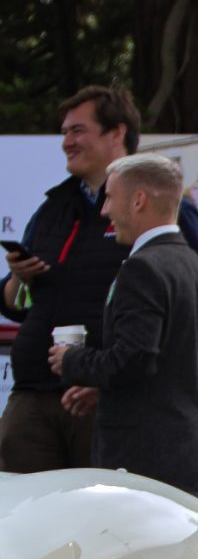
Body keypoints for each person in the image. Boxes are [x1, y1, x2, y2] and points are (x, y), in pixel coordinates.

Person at [49, 153, 198, 493]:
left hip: (140, 465)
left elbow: (133, 359)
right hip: (187, 459)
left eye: (109, 198)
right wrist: (105, 388)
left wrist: (70, 359)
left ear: (138, 200)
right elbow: (186, 369)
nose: (104, 211)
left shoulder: (142, 269)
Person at [1, 85, 138, 471]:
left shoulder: (153, 205)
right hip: (31, 396)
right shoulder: (53, 207)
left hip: (101, 397)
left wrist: (108, 380)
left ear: (117, 133)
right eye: (63, 132)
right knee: (23, 521)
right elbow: (15, 305)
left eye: (78, 131)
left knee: (100, 521)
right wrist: (19, 278)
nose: (66, 142)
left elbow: (188, 299)